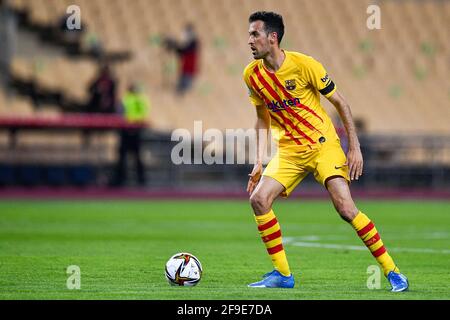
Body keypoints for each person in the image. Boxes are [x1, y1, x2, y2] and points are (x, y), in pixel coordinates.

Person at [243, 11, 408, 291]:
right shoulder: (252, 76)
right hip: (290, 151)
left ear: (273, 38)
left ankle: (393, 271)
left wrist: (354, 147)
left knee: (345, 208)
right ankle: (282, 275)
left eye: (254, 34)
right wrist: (259, 162)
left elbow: (341, 103)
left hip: (323, 146)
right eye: (249, 34)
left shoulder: (305, 65)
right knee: (259, 201)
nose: (249, 40)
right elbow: (262, 118)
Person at [111, 83, 150, 187]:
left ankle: (120, 179)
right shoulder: (142, 99)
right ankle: (141, 180)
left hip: (126, 130)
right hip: (137, 130)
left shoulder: (126, 100)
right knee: (137, 157)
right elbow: (145, 113)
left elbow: (119, 114)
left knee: (122, 157)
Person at [164, 23, 199, 95]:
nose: (185, 34)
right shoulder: (188, 43)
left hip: (189, 69)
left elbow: (185, 50)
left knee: (183, 88)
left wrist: (175, 44)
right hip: (185, 68)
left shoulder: (194, 42)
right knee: (180, 87)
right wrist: (174, 46)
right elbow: (181, 52)